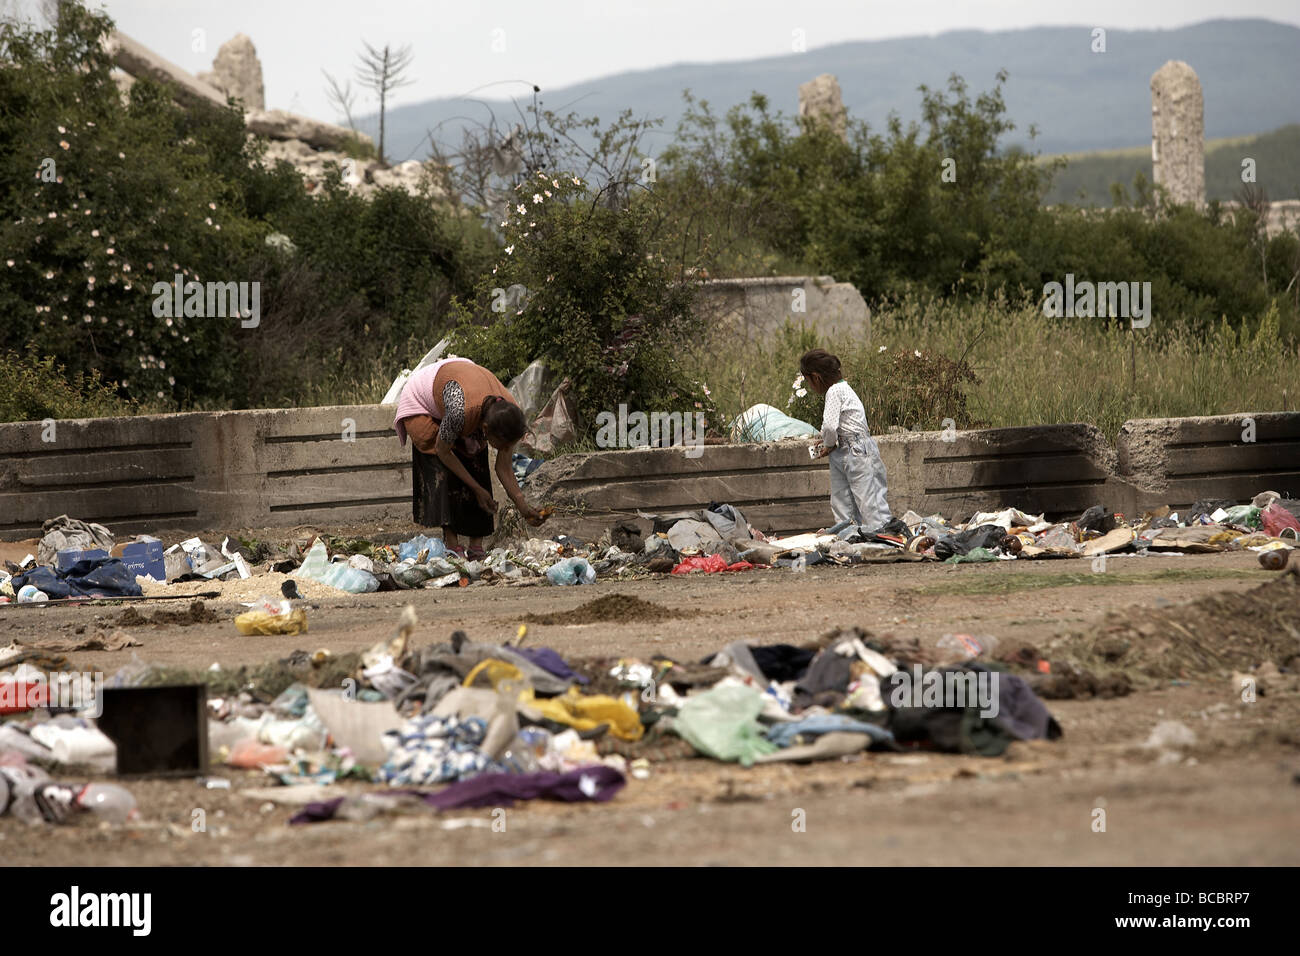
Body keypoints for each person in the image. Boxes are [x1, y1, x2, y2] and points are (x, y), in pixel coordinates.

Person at [394, 357, 544, 557]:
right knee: (441, 465)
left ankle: (476, 546)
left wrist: (524, 508)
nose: (507, 448)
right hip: (423, 397)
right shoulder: (459, 411)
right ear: (485, 428)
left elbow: (504, 468)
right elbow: (443, 451)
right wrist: (476, 489)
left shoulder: (509, 412)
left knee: (476, 454)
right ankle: (452, 543)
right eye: (504, 444)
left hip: (464, 392)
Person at [800, 348, 892, 530]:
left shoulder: (834, 391)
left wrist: (827, 443)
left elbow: (829, 426)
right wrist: (827, 439)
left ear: (816, 377)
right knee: (866, 502)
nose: (809, 386)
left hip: (854, 450)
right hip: (850, 449)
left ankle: (872, 538)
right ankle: (866, 537)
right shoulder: (843, 389)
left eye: (808, 380)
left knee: (849, 505)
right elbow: (833, 424)